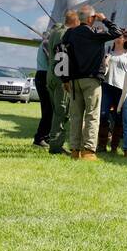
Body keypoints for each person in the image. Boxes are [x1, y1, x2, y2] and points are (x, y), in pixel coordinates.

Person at [60, 6, 123, 160]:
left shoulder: (69, 33)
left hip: (74, 81)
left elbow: (61, 53)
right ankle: (88, 151)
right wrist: (104, 19)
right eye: (94, 18)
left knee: (76, 116)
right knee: (92, 115)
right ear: (90, 19)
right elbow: (117, 32)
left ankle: (74, 150)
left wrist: (65, 79)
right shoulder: (95, 33)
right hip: (92, 79)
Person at [101, 33, 127, 155]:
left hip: (122, 89)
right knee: (103, 114)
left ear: (126, 39)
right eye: (117, 36)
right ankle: (102, 144)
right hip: (107, 86)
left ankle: (114, 146)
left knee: (119, 118)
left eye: (121, 37)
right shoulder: (108, 51)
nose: (118, 38)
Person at [45, 17, 70, 154]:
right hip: (59, 77)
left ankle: (53, 141)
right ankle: (56, 145)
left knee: (56, 111)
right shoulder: (64, 33)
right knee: (61, 110)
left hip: (51, 75)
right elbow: (62, 56)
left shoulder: (54, 32)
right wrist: (65, 80)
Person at [32, 26, 53, 148]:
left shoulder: (45, 42)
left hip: (43, 75)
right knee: (48, 109)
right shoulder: (46, 43)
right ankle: (40, 138)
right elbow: (51, 59)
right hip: (44, 75)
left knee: (48, 109)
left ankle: (45, 136)